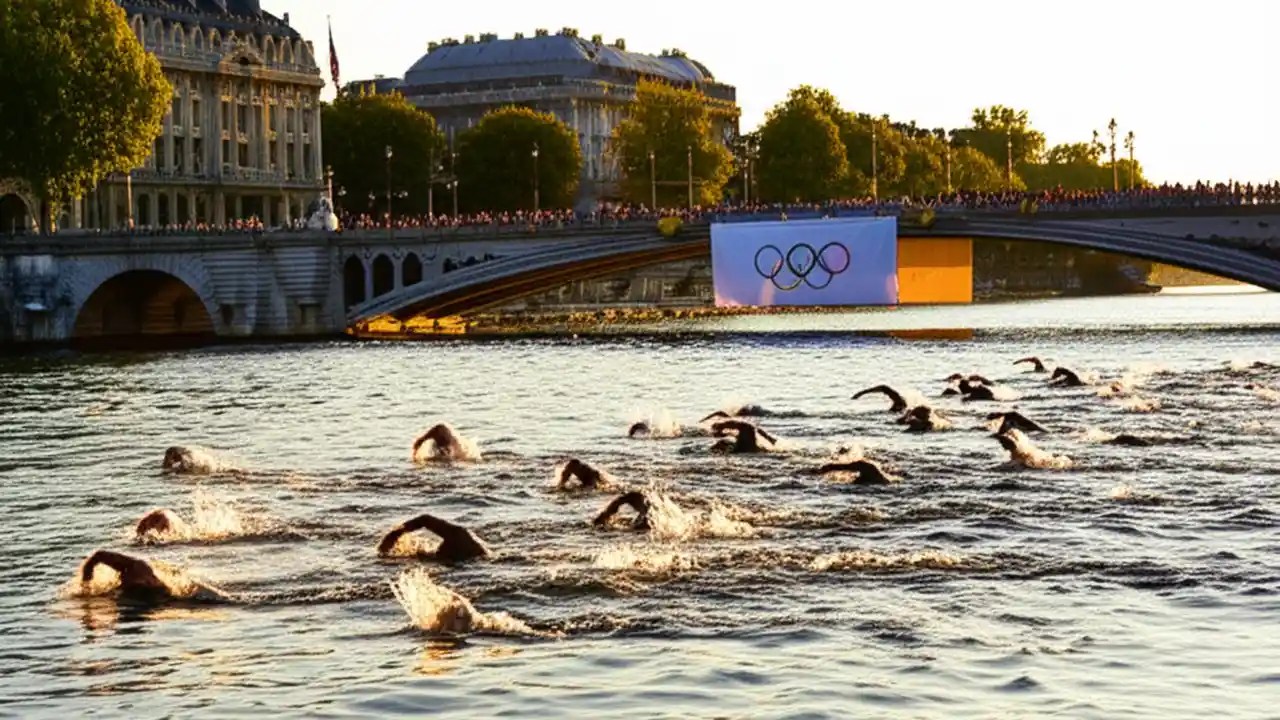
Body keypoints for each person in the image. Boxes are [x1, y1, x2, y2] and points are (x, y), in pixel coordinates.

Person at [377, 512, 490, 562]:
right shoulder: (459, 537)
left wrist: (394, 534)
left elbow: (425, 519)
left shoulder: (459, 536)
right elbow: (425, 520)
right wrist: (397, 533)